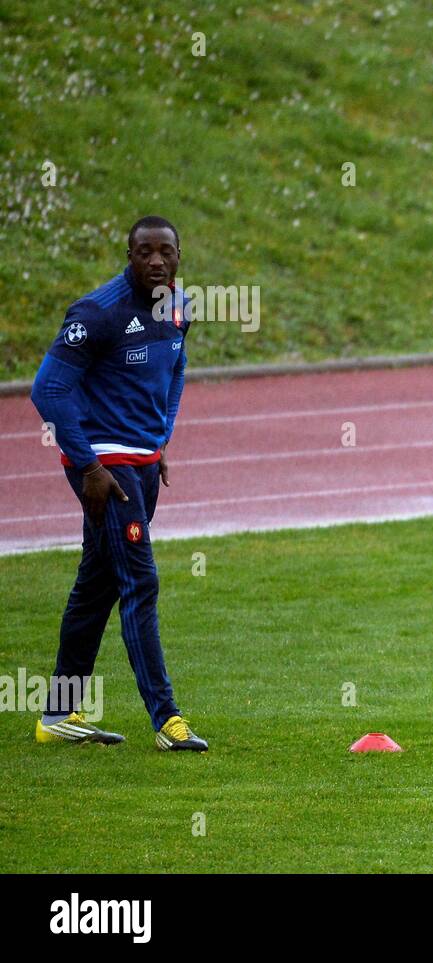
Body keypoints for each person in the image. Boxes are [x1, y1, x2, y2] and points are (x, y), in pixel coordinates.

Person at [29, 215, 208, 751]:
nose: (156, 260)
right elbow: (48, 390)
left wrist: (161, 440)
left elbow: (174, 371)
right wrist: (88, 466)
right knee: (140, 582)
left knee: (98, 582)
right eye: (145, 252)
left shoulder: (180, 306)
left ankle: (58, 712)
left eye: (166, 252)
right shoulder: (96, 312)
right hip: (105, 468)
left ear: (179, 256)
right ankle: (167, 720)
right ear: (128, 255)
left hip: (142, 460)